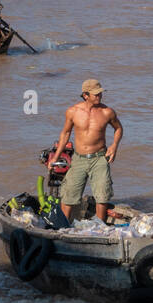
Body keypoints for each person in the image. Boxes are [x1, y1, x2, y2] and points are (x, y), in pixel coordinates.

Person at [48, 80, 123, 222]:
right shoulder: (72, 111)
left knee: (102, 195)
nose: (99, 96)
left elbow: (119, 128)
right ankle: (63, 227)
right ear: (85, 95)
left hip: (99, 158)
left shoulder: (107, 112)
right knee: (69, 195)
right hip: (79, 159)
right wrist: (55, 158)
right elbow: (65, 134)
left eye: (100, 93)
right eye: (96, 94)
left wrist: (114, 146)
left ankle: (100, 227)